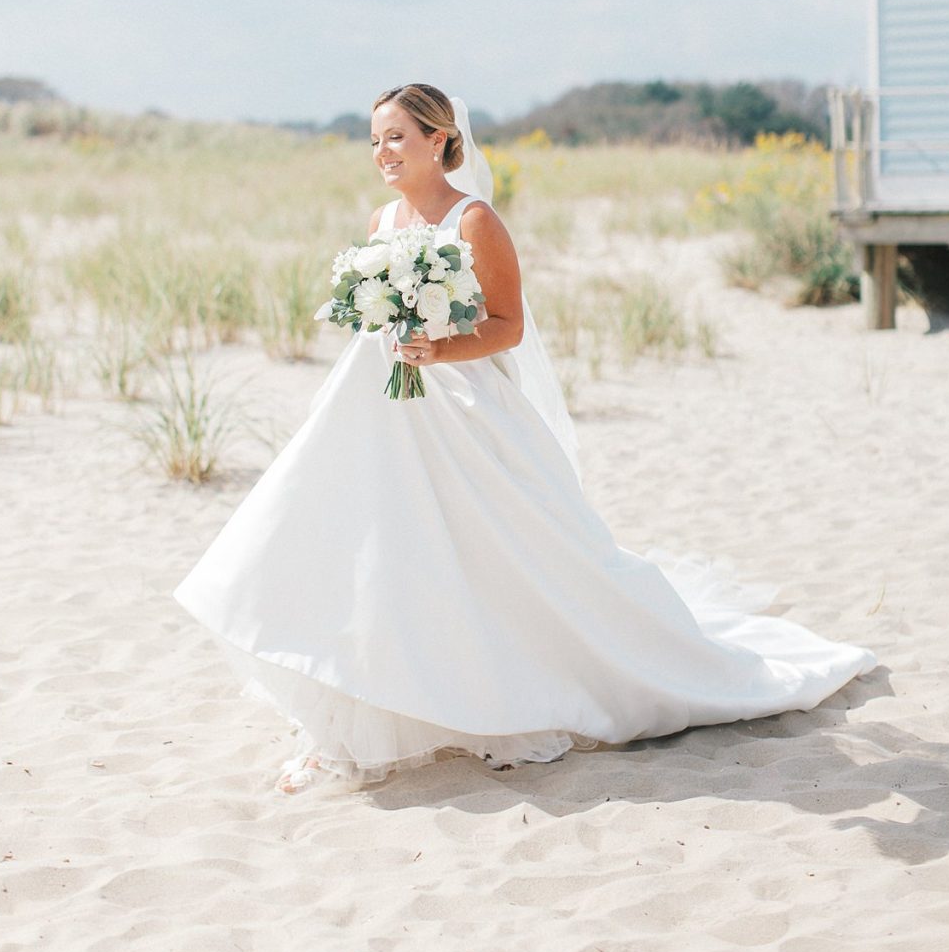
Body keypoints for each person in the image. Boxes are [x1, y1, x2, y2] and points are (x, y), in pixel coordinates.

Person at [172, 83, 878, 796]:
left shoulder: (475, 220)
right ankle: (364, 715)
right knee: (382, 548)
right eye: (375, 139)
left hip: (465, 411)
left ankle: (505, 702)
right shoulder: (382, 217)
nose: (382, 153)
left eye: (396, 137)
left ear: (439, 140)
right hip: (382, 408)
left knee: (495, 551)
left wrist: (437, 350)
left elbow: (506, 325)